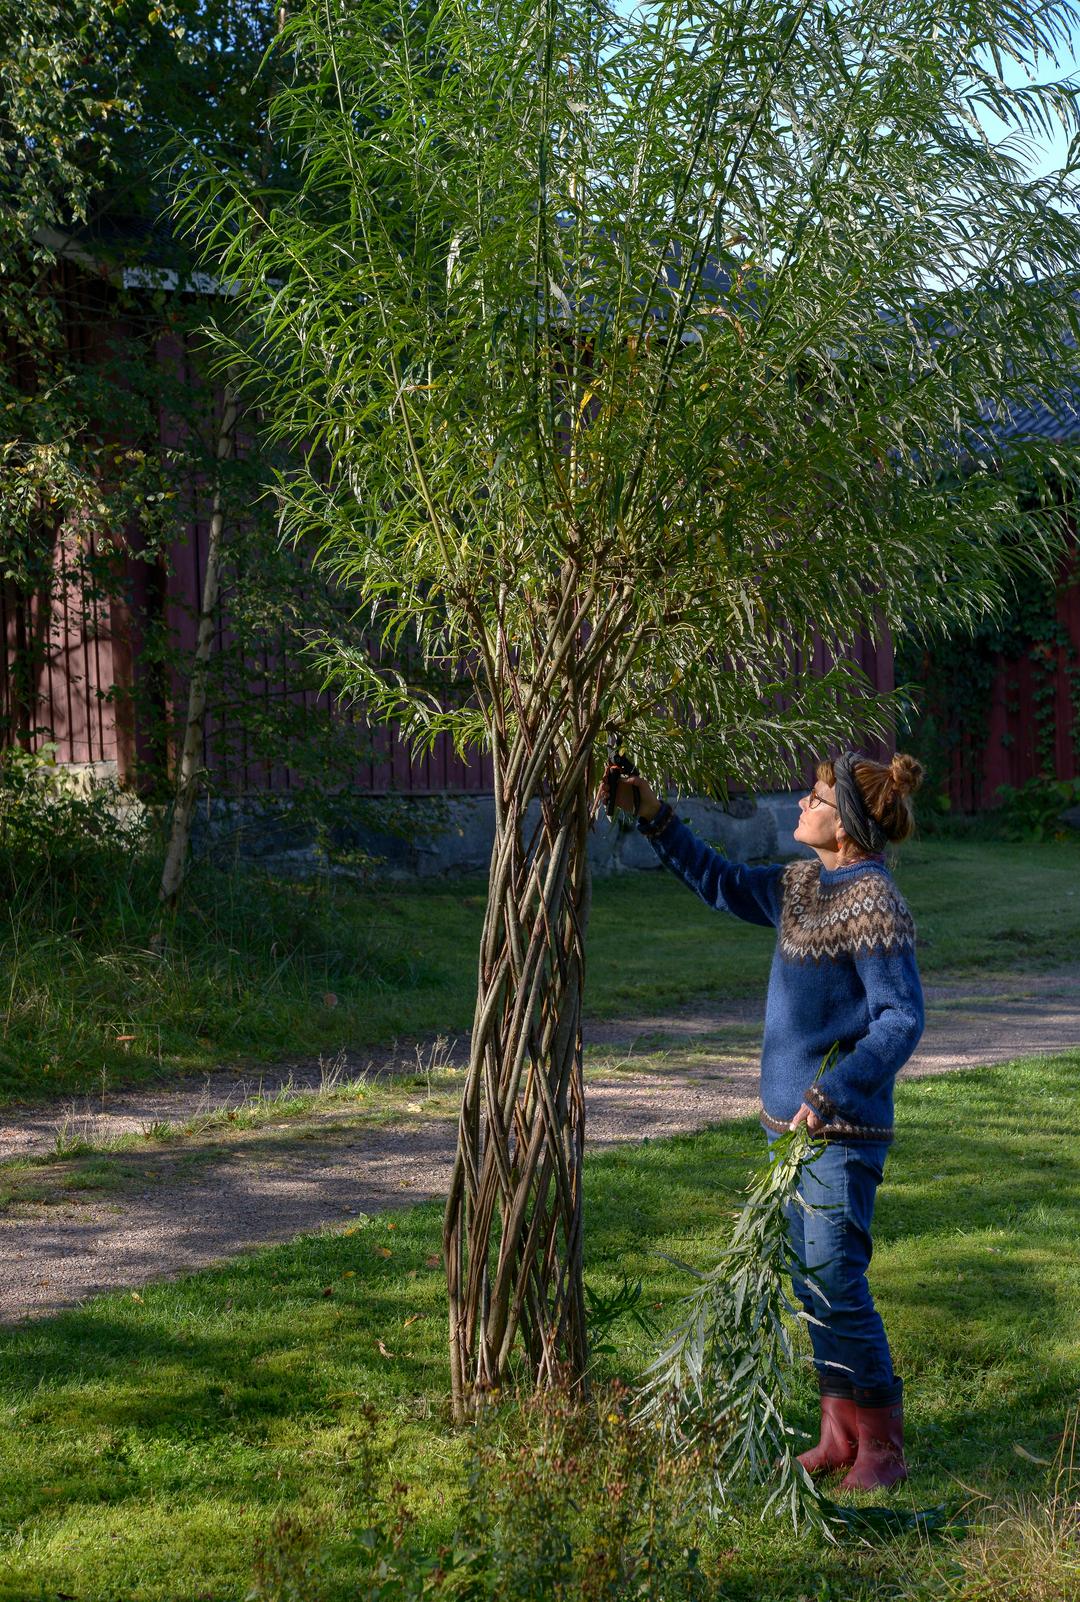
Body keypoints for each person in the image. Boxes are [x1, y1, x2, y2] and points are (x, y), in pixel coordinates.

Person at [606, 751, 925, 1491]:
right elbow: (719, 882)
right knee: (811, 1284)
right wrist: (653, 813)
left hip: (839, 1135)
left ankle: (882, 1447)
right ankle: (839, 1430)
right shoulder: (800, 885)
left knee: (838, 1281)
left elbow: (900, 1019)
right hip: (789, 1132)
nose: (799, 805)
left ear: (845, 822)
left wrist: (834, 1093)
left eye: (814, 797)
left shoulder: (872, 899)